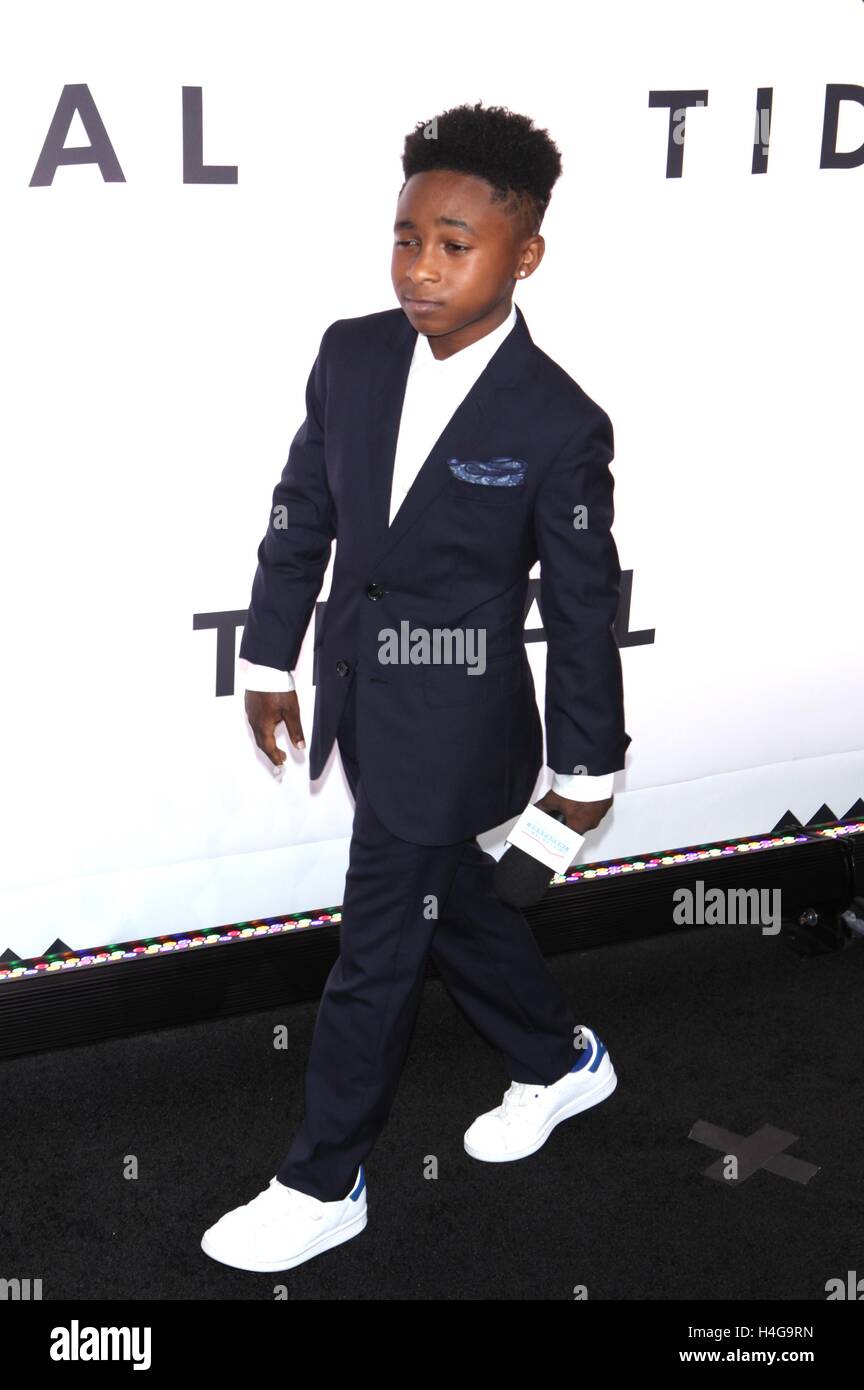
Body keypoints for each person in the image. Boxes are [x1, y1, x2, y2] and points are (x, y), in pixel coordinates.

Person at [201, 100, 630, 1274]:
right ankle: (559, 1061)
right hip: (361, 700)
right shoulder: (349, 353)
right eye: (405, 238)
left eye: (454, 243)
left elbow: (585, 611)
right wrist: (265, 654)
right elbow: (304, 512)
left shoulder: (557, 420)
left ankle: (323, 1179)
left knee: (378, 948)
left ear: (524, 253)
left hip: (457, 723)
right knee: (460, 909)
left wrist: (585, 777)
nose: (421, 269)